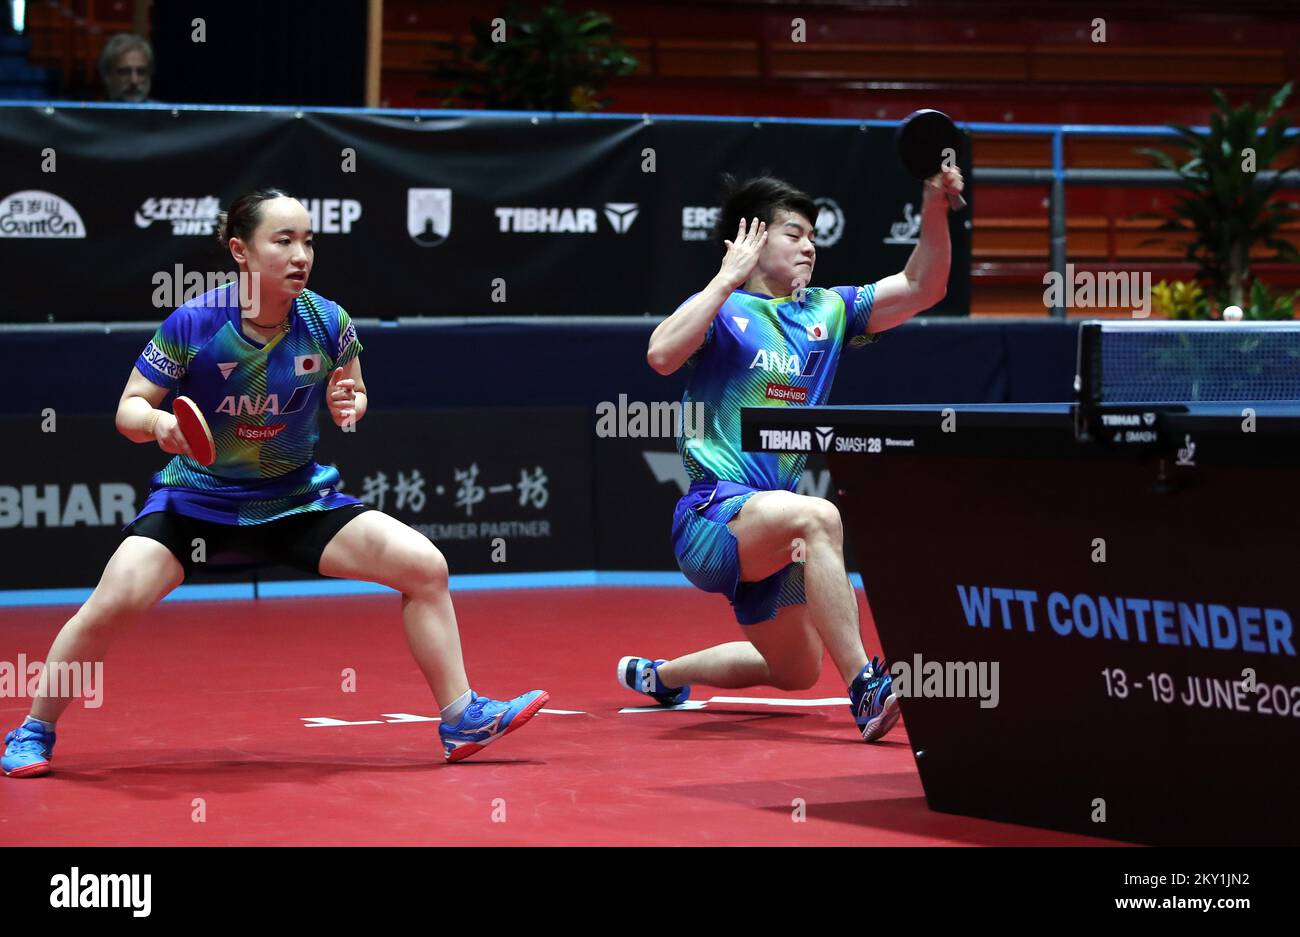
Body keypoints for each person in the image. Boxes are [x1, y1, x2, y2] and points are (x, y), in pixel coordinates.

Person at [3, 189, 547, 776]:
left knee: (425, 568)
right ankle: (34, 729)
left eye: (307, 241)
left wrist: (350, 401)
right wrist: (159, 422)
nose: (300, 255)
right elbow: (129, 409)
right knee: (112, 603)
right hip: (198, 503)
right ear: (241, 250)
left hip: (298, 500)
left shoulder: (327, 321)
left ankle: (461, 717)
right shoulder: (195, 324)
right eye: (282, 241)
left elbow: (353, 389)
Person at [620, 166, 963, 742]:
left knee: (797, 671)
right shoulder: (721, 313)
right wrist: (723, 281)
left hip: (768, 533)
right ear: (751, 240)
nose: (810, 246)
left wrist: (933, 209)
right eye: (795, 233)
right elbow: (660, 355)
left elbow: (924, 286)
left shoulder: (827, 312)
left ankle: (663, 676)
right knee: (818, 515)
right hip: (711, 519)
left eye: (813, 236)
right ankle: (867, 687)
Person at [98, 33, 155, 103]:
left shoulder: (166, 112)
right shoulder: (88, 113)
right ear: (107, 76)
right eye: (124, 72)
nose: (134, 81)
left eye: (141, 72)